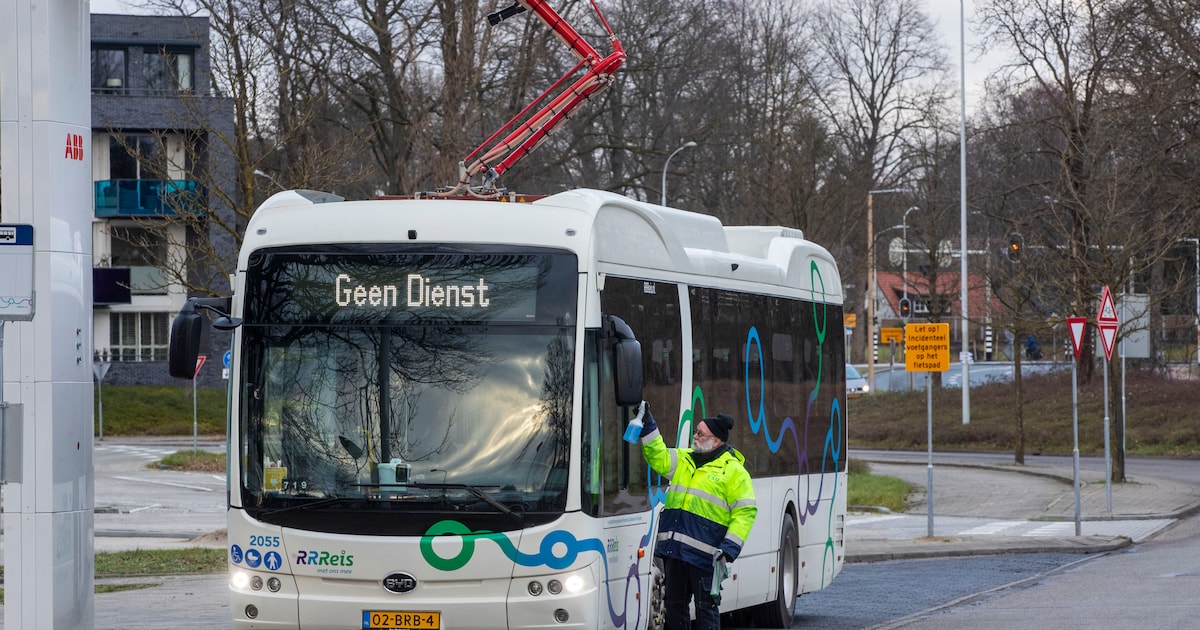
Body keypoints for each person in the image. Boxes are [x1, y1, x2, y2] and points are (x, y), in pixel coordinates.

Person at [634, 404, 757, 630]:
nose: (695, 436)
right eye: (696, 432)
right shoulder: (685, 459)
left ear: (717, 440)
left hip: (706, 557)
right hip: (676, 553)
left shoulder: (733, 472)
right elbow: (657, 455)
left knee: (706, 611)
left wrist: (729, 548)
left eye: (701, 433)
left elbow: (745, 512)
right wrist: (648, 425)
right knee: (674, 609)